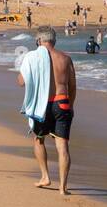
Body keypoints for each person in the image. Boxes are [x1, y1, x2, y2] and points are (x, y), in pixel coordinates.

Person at [16, 26, 75, 196]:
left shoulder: (32, 58)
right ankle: (63, 188)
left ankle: (45, 177)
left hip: (41, 105)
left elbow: (21, 82)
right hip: (62, 102)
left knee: (38, 140)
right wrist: (70, 106)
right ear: (54, 41)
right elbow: (72, 86)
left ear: (39, 41)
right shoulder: (65, 58)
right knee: (62, 146)